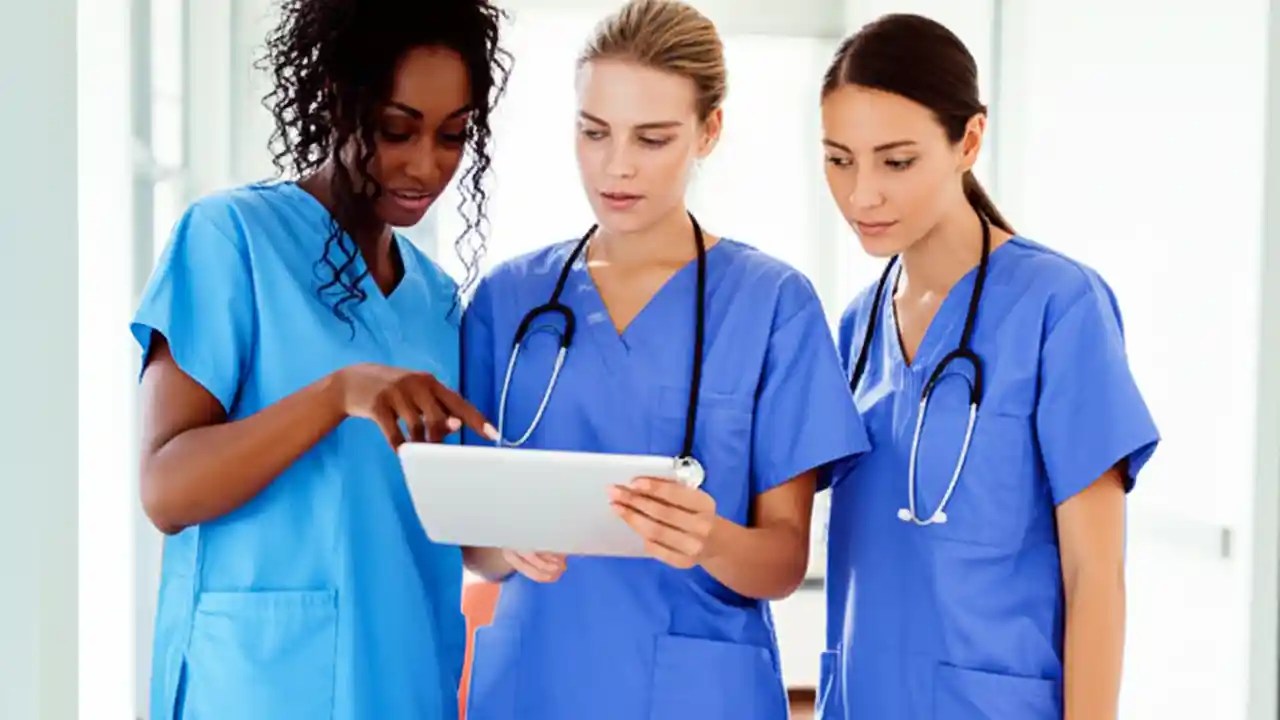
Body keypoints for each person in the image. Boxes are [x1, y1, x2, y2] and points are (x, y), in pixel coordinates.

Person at [458, 1, 869, 718]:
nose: (617, 167)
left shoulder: (772, 304)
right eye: (594, 133)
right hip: (535, 680)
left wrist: (707, 537)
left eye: (652, 138)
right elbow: (475, 542)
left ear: (708, 132)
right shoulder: (509, 300)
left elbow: (782, 559)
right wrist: (505, 543)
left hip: (696, 689)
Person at [130, 1, 509, 717]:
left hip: (403, 674)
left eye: (454, 135)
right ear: (340, 102)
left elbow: (455, 522)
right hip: (258, 683)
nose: (426, 165)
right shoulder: (231, 239)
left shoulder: (437, 303)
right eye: (398, 129)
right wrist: (339, 394)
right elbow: (165, 491)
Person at [815, 13, 1161, 720]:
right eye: (839, 158)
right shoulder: (855, 325)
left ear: (968, 140)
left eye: (896, 160)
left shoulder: (1058, 307)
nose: (862, 194)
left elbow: (1095, 574)